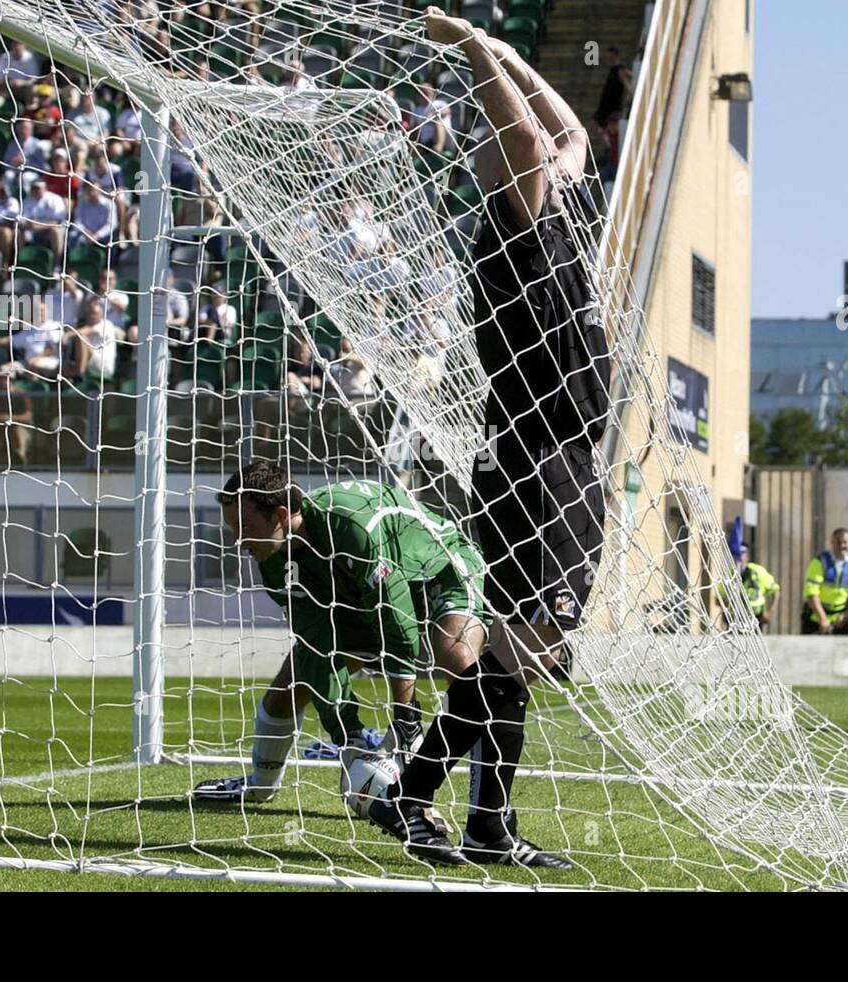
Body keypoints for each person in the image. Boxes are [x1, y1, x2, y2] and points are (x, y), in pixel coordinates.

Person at [367, 8, 605, 870]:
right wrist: (476, 51)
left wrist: (505, 51)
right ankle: (438, 805)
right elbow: (522, 129)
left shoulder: (565, 206)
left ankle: (454, 813)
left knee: (521, 656)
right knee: (521, 650)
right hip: (533, 460)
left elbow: (567, 127)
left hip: (567, 463)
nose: (541, 149)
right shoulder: (515, 230)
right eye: (522, 153)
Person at [192, 462, 488, 829]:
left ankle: (486, 815)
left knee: (457, 660)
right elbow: (318, 648)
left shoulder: (350, 526)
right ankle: (260, 785)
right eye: (233, 530)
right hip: (363, 596)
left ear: (281, 514)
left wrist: (406, 715)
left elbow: (395, 620)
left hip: (439, 570)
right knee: (295, 679)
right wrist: (347, 739)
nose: (238, 541)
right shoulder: (273, 562)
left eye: (245, 528)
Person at [801, 528, 848, 635]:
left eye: (845, 542)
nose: (842, 546)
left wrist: (847, 614)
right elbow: (811, 592)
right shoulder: (819, 562)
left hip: (840, 621)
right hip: (815, 620)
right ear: (832, 543)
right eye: (838, 542)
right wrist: (822, 618)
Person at [732, 544, 779, 630]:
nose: (739, 558)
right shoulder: (729, 573)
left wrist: (769, 612)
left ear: (747, 556)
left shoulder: (758, 571)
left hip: (756, 618)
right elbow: (718, 598)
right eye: (736, 554)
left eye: (741, 554)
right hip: (735, 619)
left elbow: (775, 592)